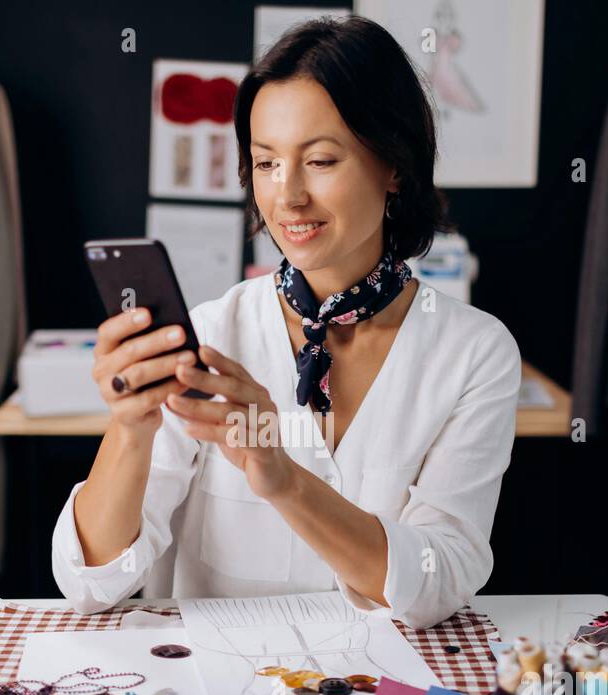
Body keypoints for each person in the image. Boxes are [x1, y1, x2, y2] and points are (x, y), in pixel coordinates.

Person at [53, 15, 520, 629]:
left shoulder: (475, 352)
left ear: (394, 167)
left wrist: (282, 479)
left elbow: (441, 581)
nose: (287, 195)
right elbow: (91, 586)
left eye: (321, 160)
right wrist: (131, 427)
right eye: (266, 163)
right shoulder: (212, 335)